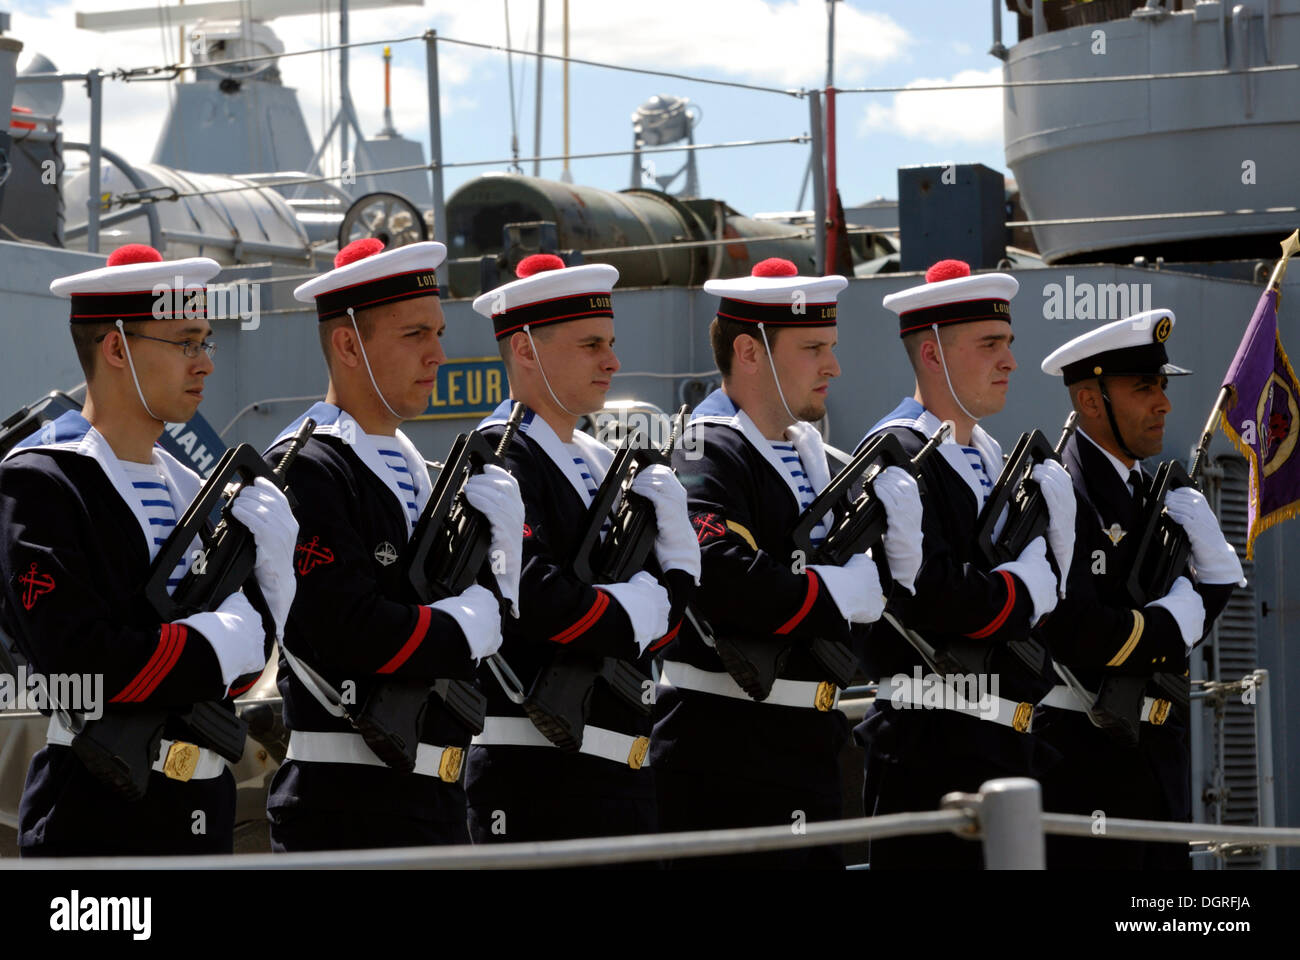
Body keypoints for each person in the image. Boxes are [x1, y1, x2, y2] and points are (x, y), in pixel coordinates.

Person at [0, 244, 295, 856]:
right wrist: (213, 642)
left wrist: (270, 588)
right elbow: (76, 664)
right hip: (99, 813)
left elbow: (235, 677)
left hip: (202, 810)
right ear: (115, 349)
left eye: (206, 341)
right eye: (186, 342)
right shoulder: (44, 482)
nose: (206, 363)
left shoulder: (190, 487)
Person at [650, 257, 925, 869]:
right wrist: (835, 591)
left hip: (806, 749)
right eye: (813, 348)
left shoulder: (813, 454)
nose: (834, 366)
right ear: (750, 352)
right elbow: (720, 576)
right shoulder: (706, 446)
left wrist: (893, 562)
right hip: (724, 757)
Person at [265, 238, 523, 850]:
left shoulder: (414, 469)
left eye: (436, 332)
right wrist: (464, 623)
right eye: (415, 335)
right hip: (346, 806)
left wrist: (499, 572)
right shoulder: (309, 467)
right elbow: (346, 629)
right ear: (349, 344)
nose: (439, 354)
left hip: (435, 799)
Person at [465, 253, 699, 844]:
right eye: (591, 344)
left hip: (622, 772)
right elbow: (537, 600)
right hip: (538, 776)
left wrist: (676, 571)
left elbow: (668, 619)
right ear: (525, 350)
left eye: (611, 342)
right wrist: (647, 601)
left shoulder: (600, 464)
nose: (613, 361)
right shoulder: (501, 455)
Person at [854, 259, 1075, 869]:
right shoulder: (896, 450)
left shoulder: (987, 453)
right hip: (932, 747)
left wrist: (1050, 566)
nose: (1009, 361)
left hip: (1003, 745)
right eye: (990, 345)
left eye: (1008, 344)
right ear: (933, 354)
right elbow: (936, 597)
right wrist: (1032, 586)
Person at [1037, 309, 1242, 869]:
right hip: (1088, 762)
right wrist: (1172, 620)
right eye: (1144, 387)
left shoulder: (1144, 492)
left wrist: (1216, 578)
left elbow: (1177, 633)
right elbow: (1074, 629)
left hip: (1156, 757)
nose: (1163, 403)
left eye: (1163, 386)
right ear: (1090, 401)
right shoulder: (1064, 492)